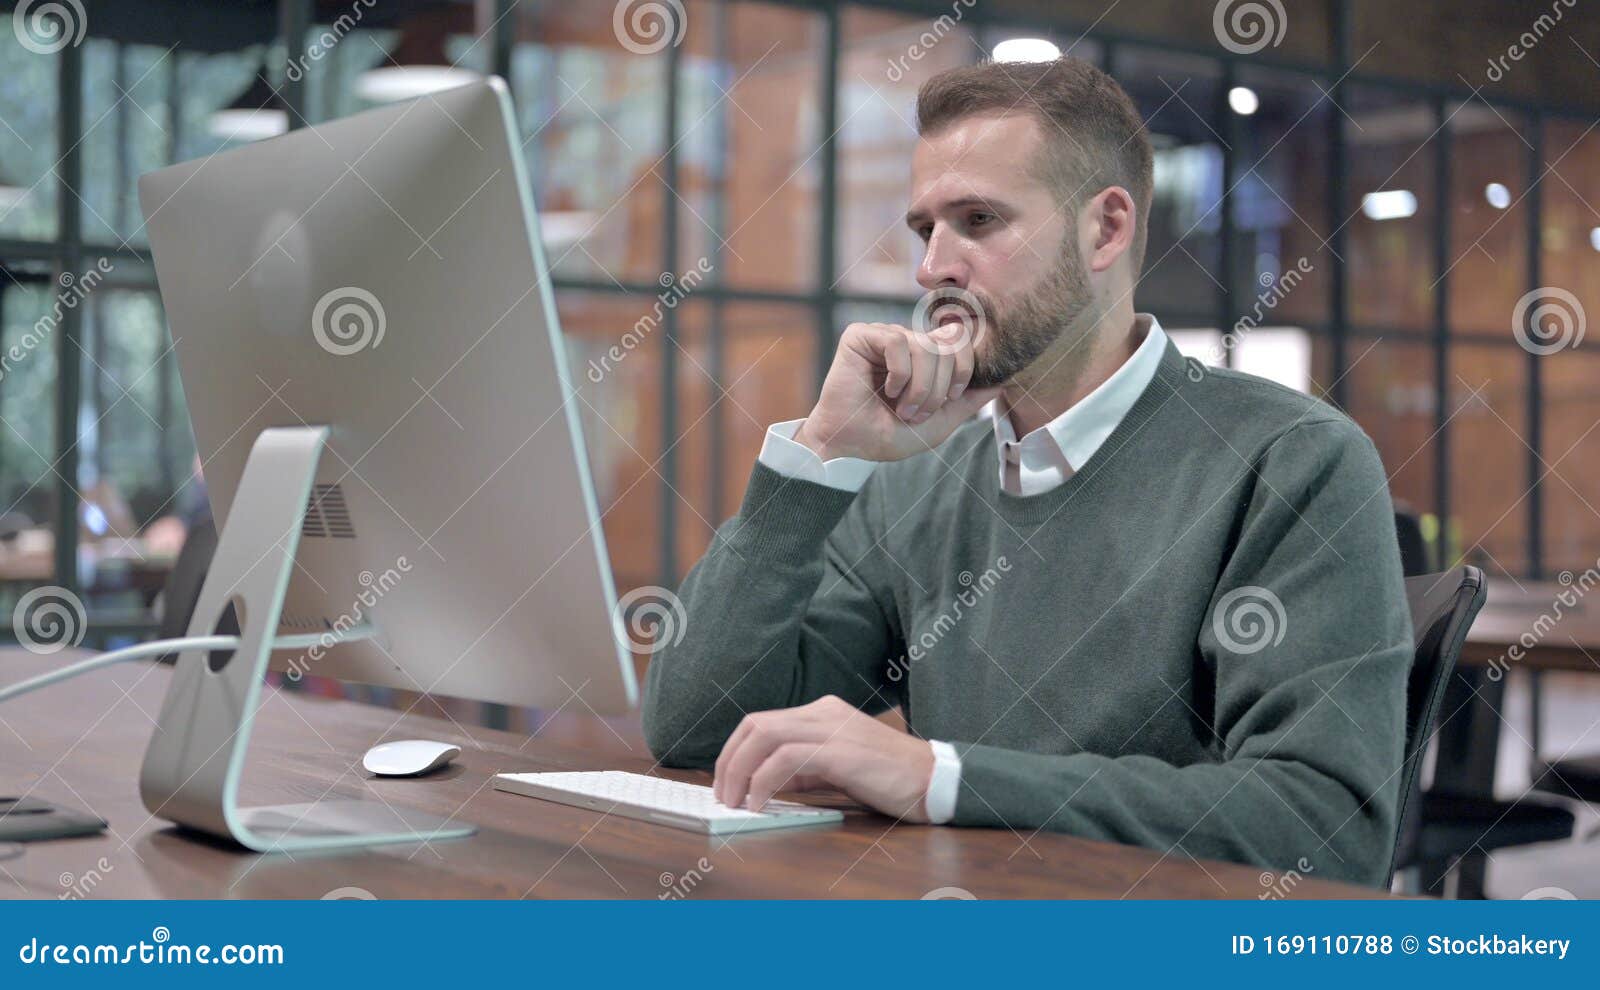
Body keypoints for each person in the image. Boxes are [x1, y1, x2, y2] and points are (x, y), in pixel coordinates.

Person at [640, 57, 1410, 887]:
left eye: (978, 220)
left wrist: (943, 778)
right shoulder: (915, 482)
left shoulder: (1292, 459)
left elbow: (1323, 826)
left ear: (1105, 230)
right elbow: (696, 729)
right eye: (925, 230)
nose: (933, 267)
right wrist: (822, 455)